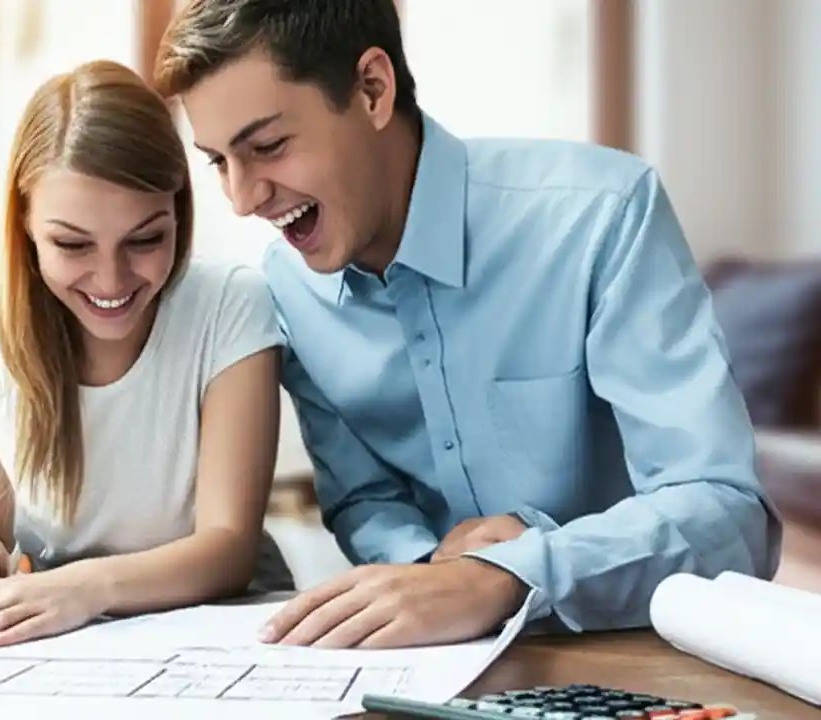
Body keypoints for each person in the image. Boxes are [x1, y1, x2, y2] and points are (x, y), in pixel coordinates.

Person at [153, 0, 782, 649]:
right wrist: (429, 574)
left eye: (268, 147)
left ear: (372, 89)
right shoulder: (288, 286)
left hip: (632, 651)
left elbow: (727, 515)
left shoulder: (600, 215)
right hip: (438, 659)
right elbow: (364, 501)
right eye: (219, 162)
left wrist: (507, 575)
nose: (243, 197)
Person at [0, 59, 292, 651]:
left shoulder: (230, 307)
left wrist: (85, 588)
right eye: (72, 243)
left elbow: (228, 548)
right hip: (63, 633)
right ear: (26, 227)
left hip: (225, 621)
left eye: (145, 239)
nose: (111, 280)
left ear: (179, 213)